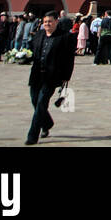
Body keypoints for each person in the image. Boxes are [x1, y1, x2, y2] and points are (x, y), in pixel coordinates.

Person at [26, 12, 75, 145]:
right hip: (37, 74)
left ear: (56, 22)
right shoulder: (39, 35)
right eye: (45, 21)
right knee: (35, 101)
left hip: (52, 76)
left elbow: (69, 59)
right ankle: (47, 123)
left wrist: (66, 77)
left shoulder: (65, 37)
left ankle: (32, 135)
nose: (47, 23)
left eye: (50, 21)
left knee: (42, 103)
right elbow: (33, 51)